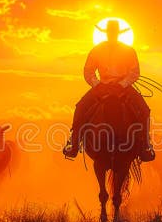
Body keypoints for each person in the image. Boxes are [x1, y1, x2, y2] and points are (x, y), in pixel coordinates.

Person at [63, 20, 155, 162]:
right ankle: (74, 144)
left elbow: (135, 72)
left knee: (144, 110)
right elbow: (88, 71)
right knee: (80, 107)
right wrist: (97, 84)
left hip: (123, 88)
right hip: (102, 87)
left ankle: (145, 146)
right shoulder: (97, 50)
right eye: (110, 32)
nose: (112, 34)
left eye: (114, 32)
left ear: (117, 33)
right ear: (107, 33)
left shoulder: (128, 50)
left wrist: (122, 84)